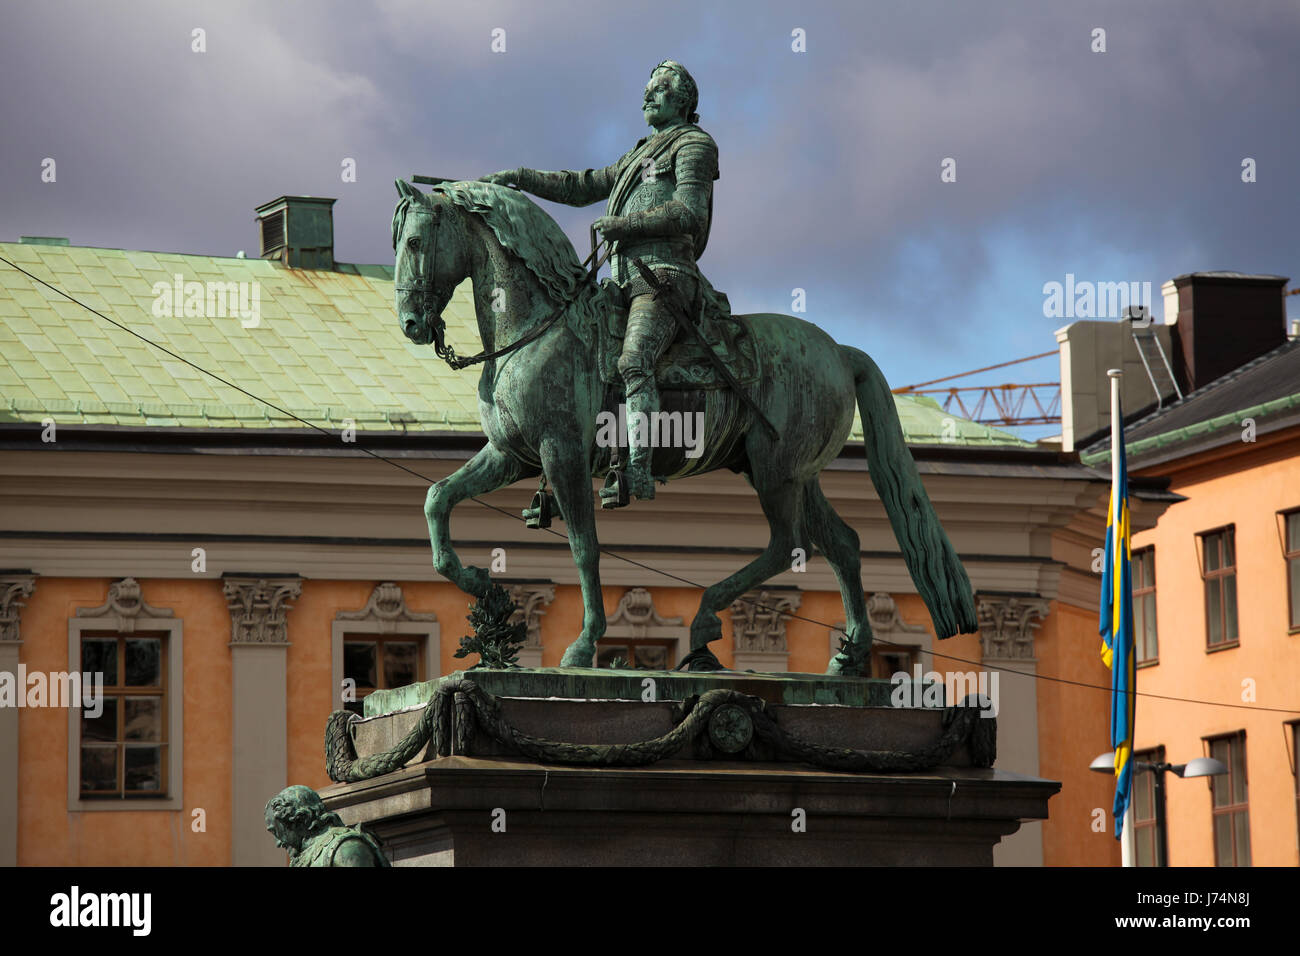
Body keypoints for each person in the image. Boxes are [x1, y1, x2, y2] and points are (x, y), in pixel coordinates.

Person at [481, 60, 718, 505]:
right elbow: (580, 185)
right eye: (646, 89)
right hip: (623, 283)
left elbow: (690, 212)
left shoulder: (694, 145)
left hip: (665, 280)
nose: (648, 96)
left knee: (633, 361)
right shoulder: (637, 155)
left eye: (660, 89)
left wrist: (627, 226)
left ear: (683, 100)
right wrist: (519, 179)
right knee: (570, 355)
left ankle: (637, 468)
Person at [264, 784, 390, 867]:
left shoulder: (345, 847)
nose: (278, 843)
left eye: (276, 831)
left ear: (297, 819)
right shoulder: (301, 859)